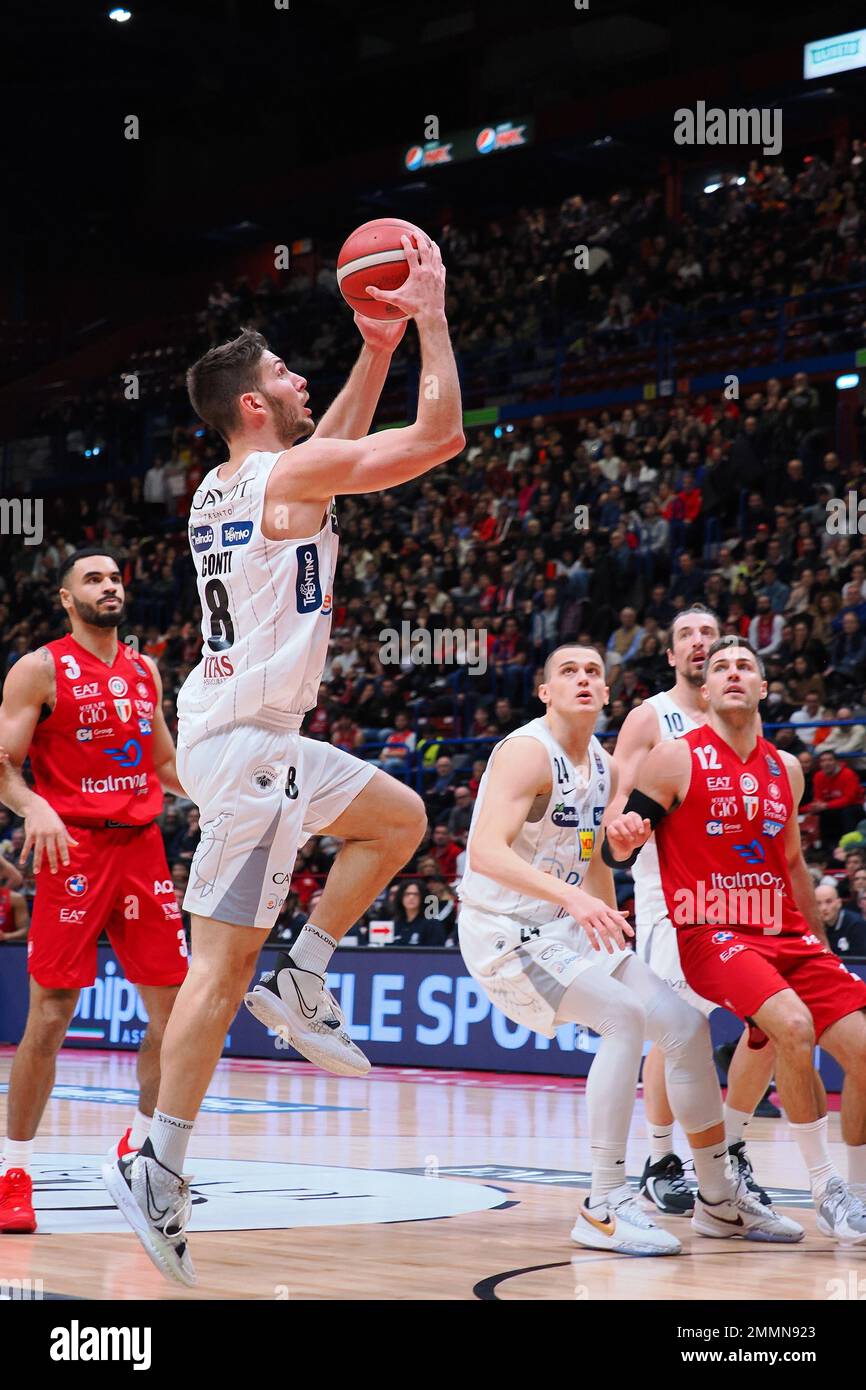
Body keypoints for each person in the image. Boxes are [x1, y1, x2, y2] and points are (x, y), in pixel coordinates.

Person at [103, 233, 464, 1284]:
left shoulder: (228, 482)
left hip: (249, 737)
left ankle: (305, 972)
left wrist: (374, 347)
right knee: (215, 971)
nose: (297, 376)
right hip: (247, 750)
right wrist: (430, 316)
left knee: (396, 816)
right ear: (253, 405)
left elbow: (328, 462)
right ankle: (159, 1164)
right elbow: (435, 438)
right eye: (281, 372)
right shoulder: (284, 473)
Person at [457, 644, 801, 1256]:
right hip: (504, 931)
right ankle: (603, 1203)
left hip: (562, 929)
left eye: (594, 672)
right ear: (545, 692)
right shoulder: (526, 750)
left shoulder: (603, 764)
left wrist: (606, 912)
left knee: (682, 1024)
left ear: (608, 693)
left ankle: (718, 1199)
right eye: (569, 672)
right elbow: (484, 852)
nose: (583, 679)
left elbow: (591, 854)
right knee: (624, 1017)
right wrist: (578, 905)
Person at [606, 635, 866, 1244]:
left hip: (787, 933)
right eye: (719, 667)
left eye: (744, 666)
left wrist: (821, 945)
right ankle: (826, 1191)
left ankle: (853, 1193)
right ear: (704, 688)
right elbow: (628, 839)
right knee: (793, 1028)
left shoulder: (788, 768)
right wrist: (620, 837)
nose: (731, 673)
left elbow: (796, 867)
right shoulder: (674, 757)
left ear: (763, 688)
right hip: (710, 930)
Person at [0, 550, 188, 1234]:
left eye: (115, 577)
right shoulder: (40, 668)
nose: (109, 586)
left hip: (142, 848)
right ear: (65, 597)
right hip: (71, 845)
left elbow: (166, 764)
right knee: (50, 1014)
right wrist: (33, 807)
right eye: (94, 579)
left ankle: (140, 1151)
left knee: (177, 1015)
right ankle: (12, 1172)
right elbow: (4, 767)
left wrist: (223, 796)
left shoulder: (144, 670)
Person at [609, 605, 776, 1215]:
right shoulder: (651, 717)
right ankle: (660, 1158)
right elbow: (618, 809)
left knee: (774, 1022)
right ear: (674, 656)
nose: (701, 642)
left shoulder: (740, 714)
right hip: (669, 892)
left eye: (711, 633)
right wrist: (620, 839)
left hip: (742, 891)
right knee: (679, 1029)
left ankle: (731, 1149)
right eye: (687, 635)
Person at [815, 882, 866, 957]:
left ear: (839, 903)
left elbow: (860, 963)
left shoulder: (856, 925)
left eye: (829, 902)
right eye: (818, 903)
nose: (823, 908)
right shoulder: (813, 926)